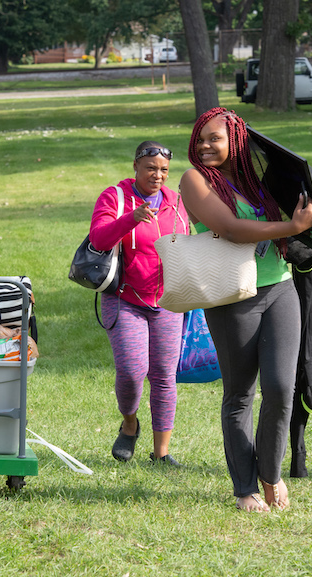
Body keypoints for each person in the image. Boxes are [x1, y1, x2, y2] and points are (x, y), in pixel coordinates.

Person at [179, 107, 312, 512]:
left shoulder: (255, 181)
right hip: (231, 295)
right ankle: (244, 487)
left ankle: (271, 473)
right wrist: (290, 228)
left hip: (279, 288)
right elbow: (230, 229)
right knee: (241, 393)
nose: (205, 145)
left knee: (281, 389)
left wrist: (310, 222)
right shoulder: (194, 180)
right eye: (201, 138)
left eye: (215, 138)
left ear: (237, 141)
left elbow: (283, 224)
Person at [89, 141, 190, 466]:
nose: (157, 175)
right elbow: (99, 239)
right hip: (124, 299)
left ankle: (161, 452)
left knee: (164, 375)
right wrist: (131, 218)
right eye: (150, 168)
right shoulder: (115, 197)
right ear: (135, 166)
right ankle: (130, 422)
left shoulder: (175, 203)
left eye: (163, 170)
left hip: (167, 301)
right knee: (132, 372)